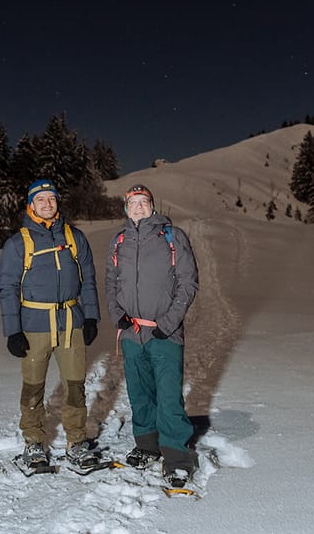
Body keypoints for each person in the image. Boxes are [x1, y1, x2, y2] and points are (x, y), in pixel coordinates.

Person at [0, 179, 101, 469]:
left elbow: (88, 280)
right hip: (34, 325)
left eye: (51, 199)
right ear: (31, 205)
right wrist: (13, 331)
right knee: (33, 387)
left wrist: (91, 316)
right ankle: (33, 444)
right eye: (40, 199)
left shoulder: (74, 237)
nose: (47, 204)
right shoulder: (19, 243)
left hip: (71, 322)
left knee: (75, 386)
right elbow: (7, 288)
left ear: (57, 202)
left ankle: (77, 442)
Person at [105, 184, 199, 488]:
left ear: (152, 206)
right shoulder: (119, 240)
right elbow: (110, 283)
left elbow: (188, 284)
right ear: (125, 208)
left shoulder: (172, 237)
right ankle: (147, 445)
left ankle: (176, 457)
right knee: (139, 393)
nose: (138, 207)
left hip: (164, 333)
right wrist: (117, 315)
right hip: (132, 332)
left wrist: (168, 322)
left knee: (169, 396)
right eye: (133, 202)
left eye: (144, 202)